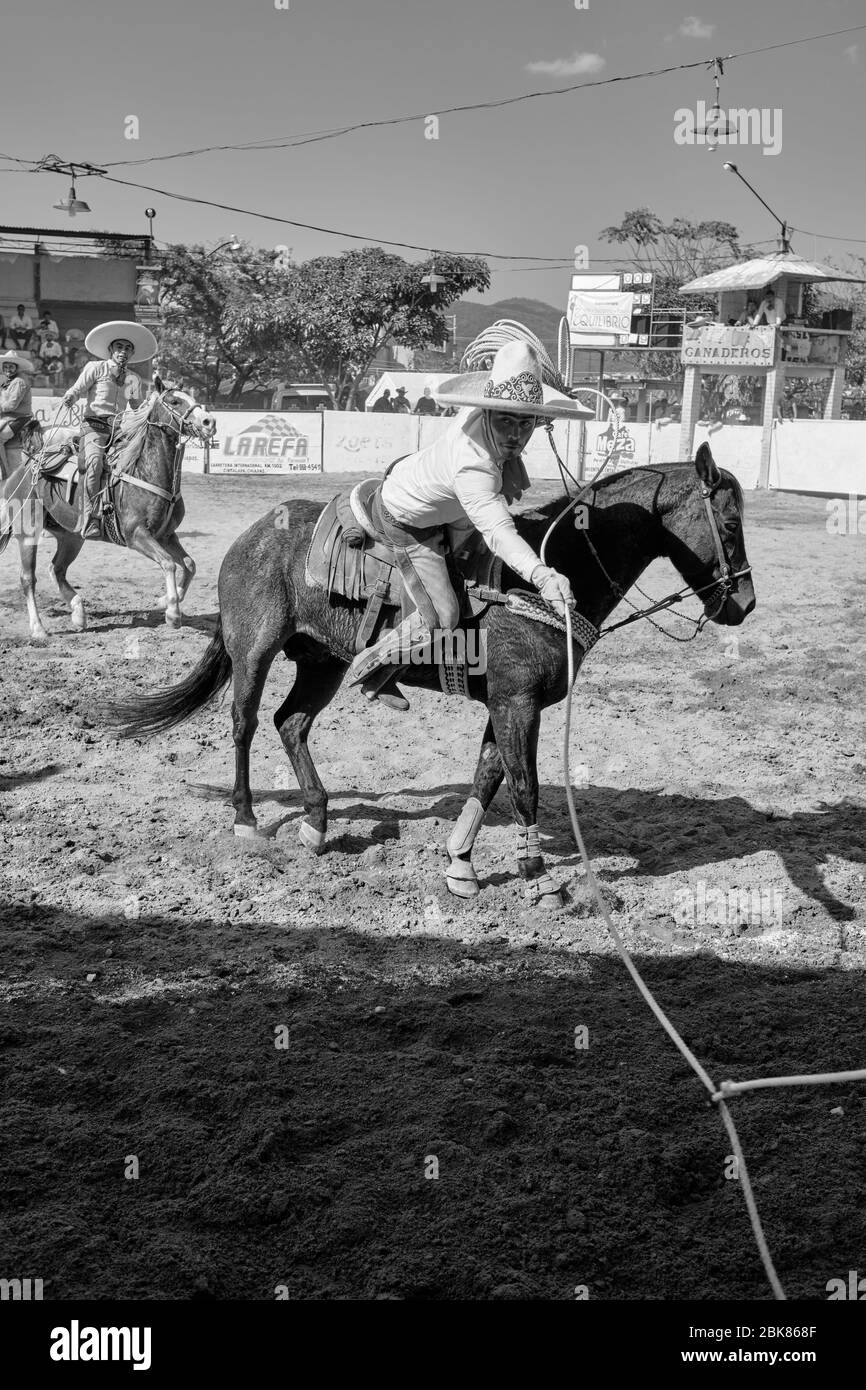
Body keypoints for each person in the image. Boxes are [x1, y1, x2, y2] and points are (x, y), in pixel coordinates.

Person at [346, 339, 593, 708]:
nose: (515, 435)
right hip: (409, 521)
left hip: (437, 494)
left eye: (526, 422)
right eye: (506, 420)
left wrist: (545, 408)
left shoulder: (478, 415)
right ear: (488, 412)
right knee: (444, 615)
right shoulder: (473, 467)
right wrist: (543, 576)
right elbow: (498, 530)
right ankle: (371, 667)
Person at [62, 319, 157, 538]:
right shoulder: (95, 368)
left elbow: (137, 407)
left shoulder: (132, 379)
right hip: (93, 427)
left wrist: (152, 406)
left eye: (127, 348)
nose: (123, 352)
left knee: (141, 463)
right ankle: (89, 519)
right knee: (94, 464)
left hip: (118, 431)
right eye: (119, 347)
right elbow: (77, 389)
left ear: (131, 354)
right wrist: (70, 396)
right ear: (111, 350)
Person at [0, 349, 35, 451]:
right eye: (5, 367)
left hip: (18, 418)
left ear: (17, 368)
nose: (8, 369)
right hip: (8, 417)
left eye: (11, 367)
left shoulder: (19, 382)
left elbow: (11, 405)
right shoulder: (9, 381)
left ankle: (4, 467)